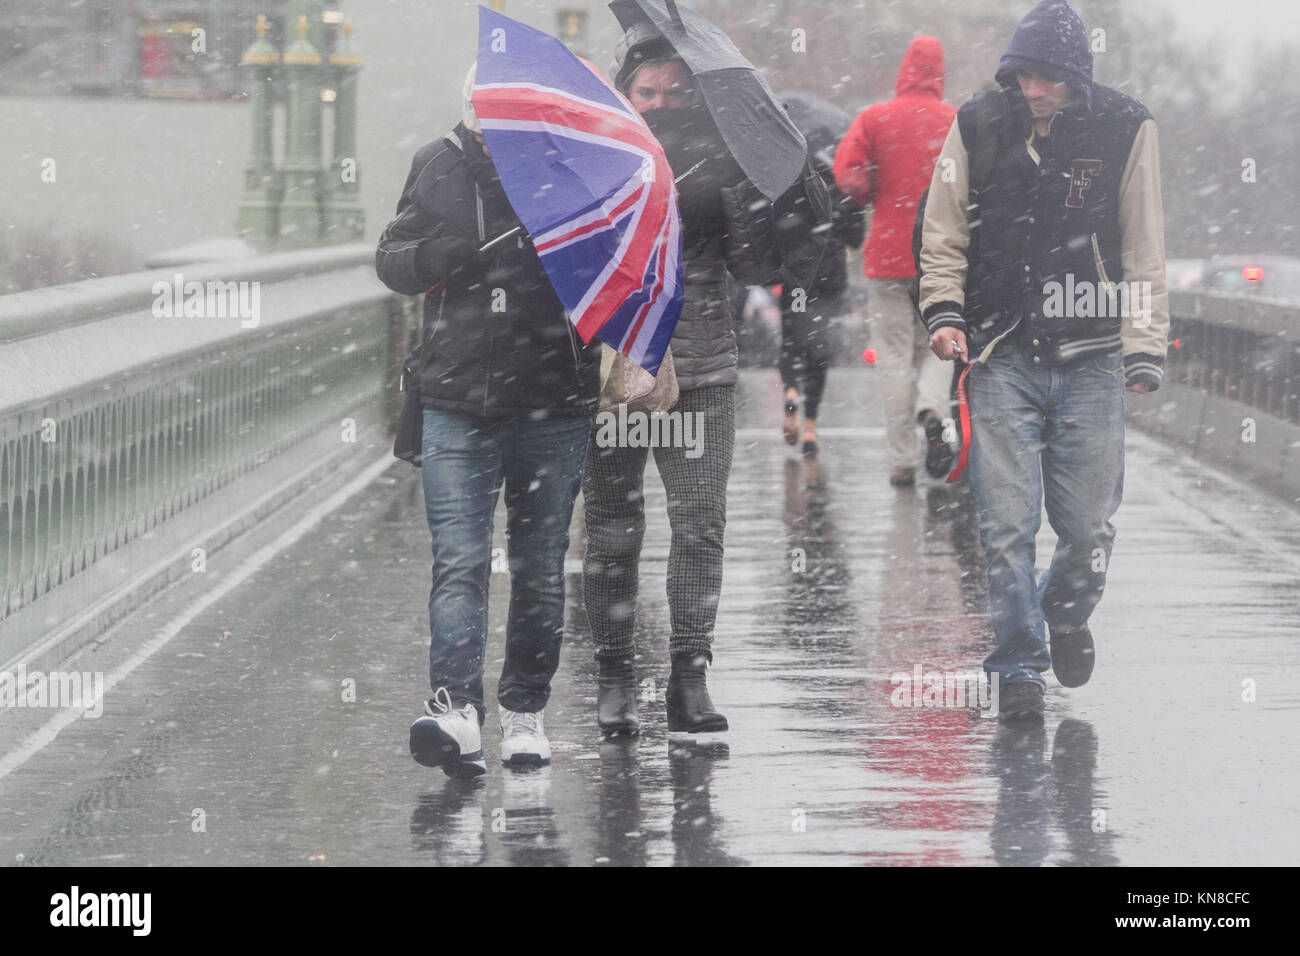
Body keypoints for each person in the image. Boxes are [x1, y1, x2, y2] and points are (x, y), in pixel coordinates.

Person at [919, 0, 1168, 720]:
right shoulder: (977, 123)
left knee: (1088, 525)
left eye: (1048, 81)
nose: (1032, 91)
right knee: (1006, 525)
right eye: (1023, 77)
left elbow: (1144, 246)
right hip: (1000, 351)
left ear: (1076, 80)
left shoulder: (1125, 125)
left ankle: (1065, 611)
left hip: (1092, 356)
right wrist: (944, 313)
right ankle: (1018, 665)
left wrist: (1144, 343)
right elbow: (941, 232)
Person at [375, 65, 601, 775]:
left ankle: (525, 711)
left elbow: (607, 275)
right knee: (461, 563)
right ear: (469, 110)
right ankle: (455, 709)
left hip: (552, 401)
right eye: (486, 110)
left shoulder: (573, 172)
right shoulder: (436, 165)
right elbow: (391, 257)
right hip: (455, 398)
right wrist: (436, 256)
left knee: (538, 569)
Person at [582, 23, 781, 737]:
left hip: (700, 365)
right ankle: (612, 672)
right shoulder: (592, 157)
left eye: (674, 92)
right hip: (615, 370)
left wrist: (741, 199)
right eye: (646, 92)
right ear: (623, 91)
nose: (660, 103)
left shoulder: (720, 160)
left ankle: (689, 674)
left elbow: (757, 264)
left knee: (699, 526)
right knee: (611, 530)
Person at [834, 36, 956, 487]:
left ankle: (902, 459)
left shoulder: (874, 117)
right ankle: (931, 408)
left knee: (891, 355)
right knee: (942, 342)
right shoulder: (955, 122)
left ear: (903, 70)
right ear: (940, 74)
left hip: (886, 253)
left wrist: (871, 188)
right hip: (939, 254)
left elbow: (847, 174)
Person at [779, 135, 866, 455]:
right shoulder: (842, 189)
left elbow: (779, 231)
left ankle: (790, 392)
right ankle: (811, 427)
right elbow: (856, 238)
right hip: (829, 284)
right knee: (819, 352)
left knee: (792, 341)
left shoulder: (791, 187)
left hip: (799, 282)